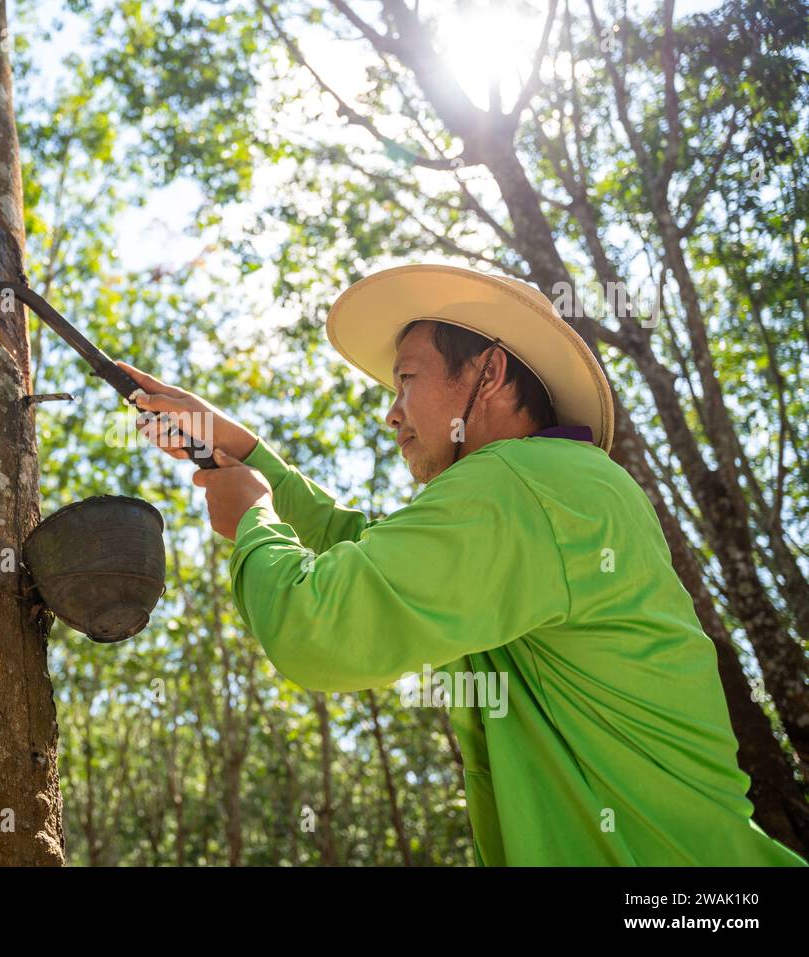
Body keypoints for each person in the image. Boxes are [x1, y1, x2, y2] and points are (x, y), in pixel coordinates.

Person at [122, 262, 807, 867]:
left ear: (491, 373)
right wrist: (242, 451)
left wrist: (251, 520)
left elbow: (319, 626)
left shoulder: (520, 481)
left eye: (407, 380)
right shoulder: (554, 484)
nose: (392, 414)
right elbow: (357, 540)